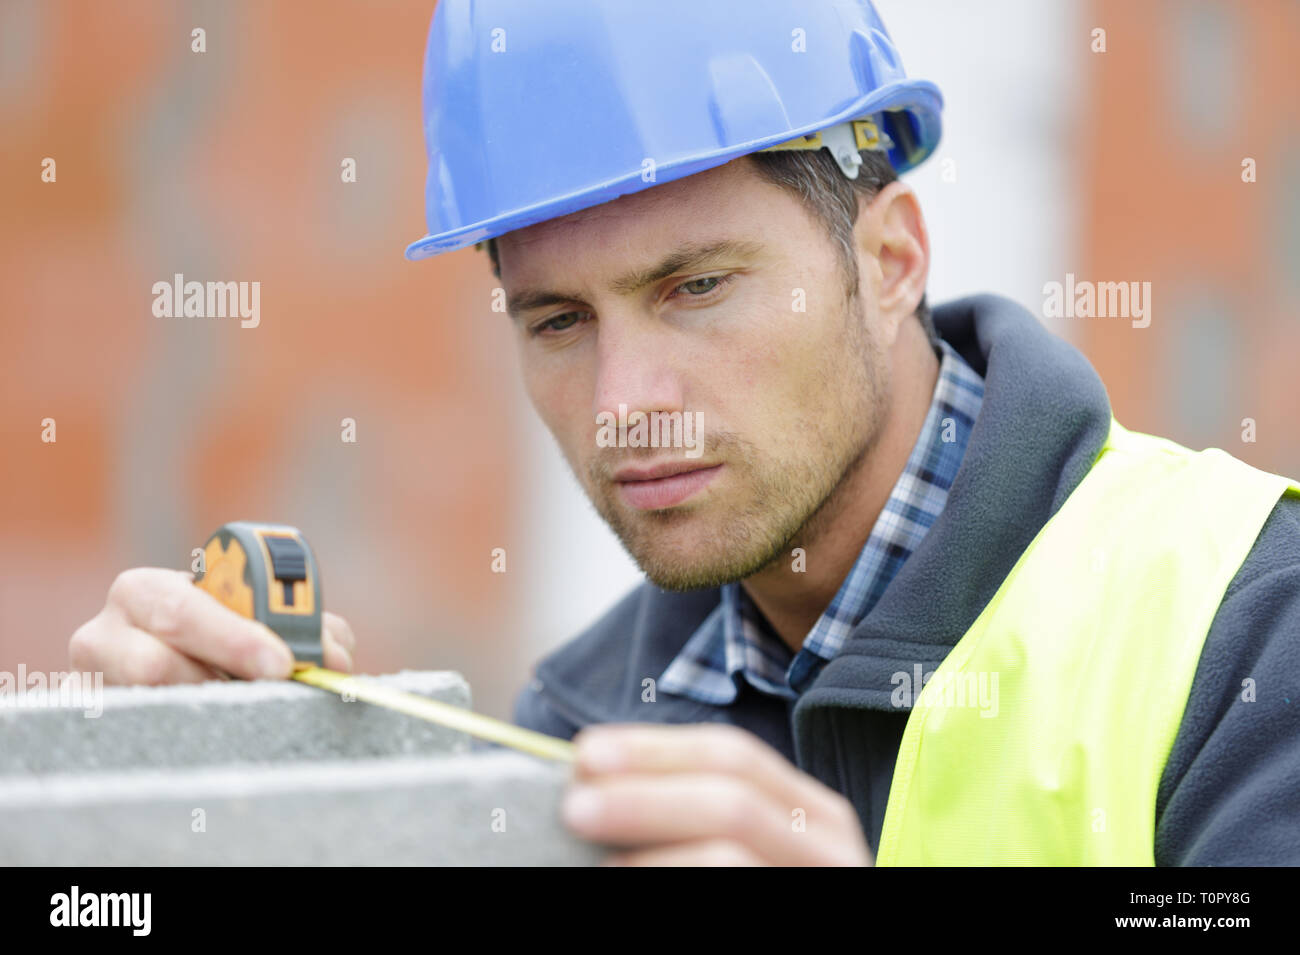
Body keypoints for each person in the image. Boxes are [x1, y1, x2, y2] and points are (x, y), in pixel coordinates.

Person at [70, 0, 1300, 866]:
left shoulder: (1245, 630)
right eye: (556, 319)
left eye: (695, 286)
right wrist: (198, 815)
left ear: (889, 260)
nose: (624, 402)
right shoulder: (577, 728)